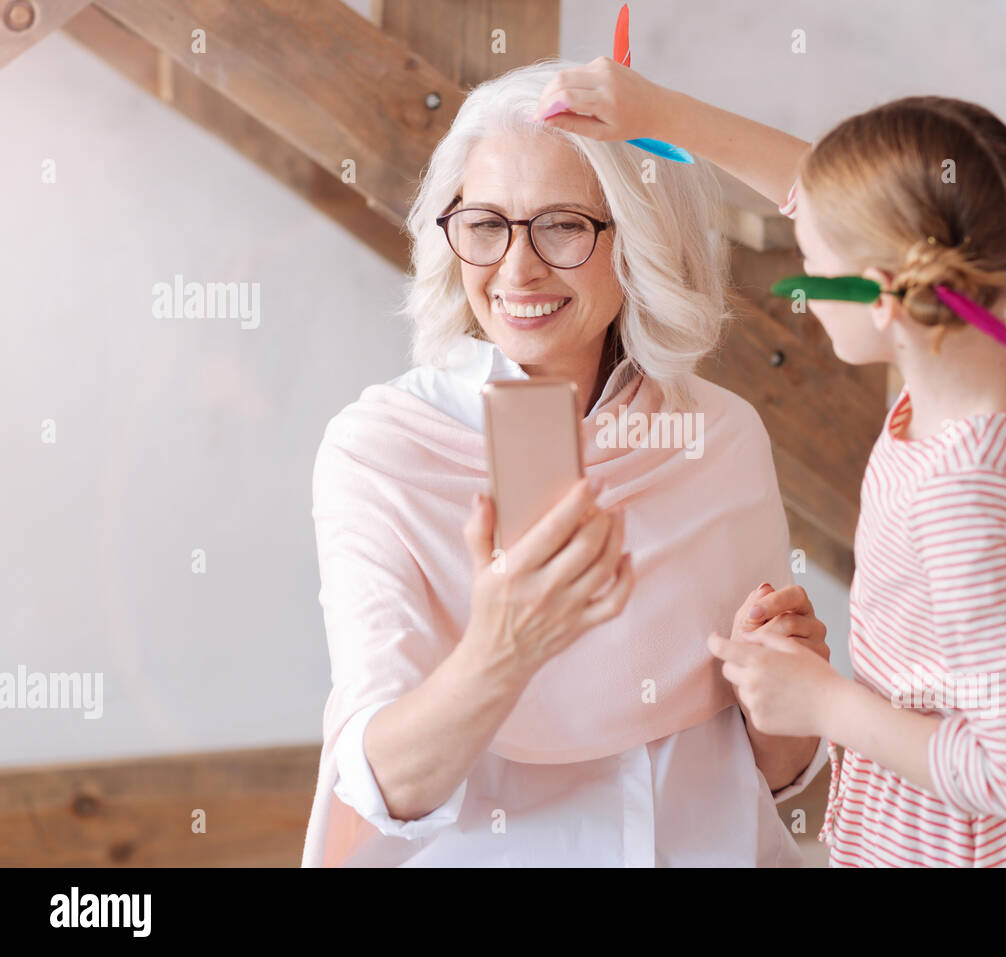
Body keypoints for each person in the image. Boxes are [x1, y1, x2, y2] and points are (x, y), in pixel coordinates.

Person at [538, 58, 1006, 867]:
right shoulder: (999, 334)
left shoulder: (960, 501)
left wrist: (824, 703)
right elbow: (825, 190)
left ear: (884, 291)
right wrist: (656, 110)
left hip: (957, 843)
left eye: (814, 264)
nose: (806, 286)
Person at [301, 60, 828, 868]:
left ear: (642, 240)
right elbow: (385, 786)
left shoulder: (718, 434)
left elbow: (782, 775)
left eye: (563, 225)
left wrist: (782, 691)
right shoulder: (382, 451)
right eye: (485, 223)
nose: (517, 268)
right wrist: (501, 653)